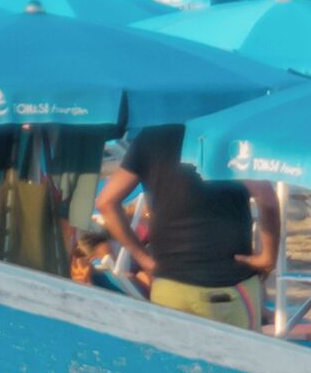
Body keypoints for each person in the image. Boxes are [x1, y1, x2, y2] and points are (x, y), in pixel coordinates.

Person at [96, 123, 280, 328]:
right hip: (228, 284)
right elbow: (267, 200)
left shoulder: (151, 137)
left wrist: (142, 258)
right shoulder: (232, 134)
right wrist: (268, 257)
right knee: (239, 359)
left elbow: (106, 202)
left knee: (176, 359)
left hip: (169, 286)